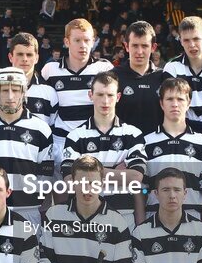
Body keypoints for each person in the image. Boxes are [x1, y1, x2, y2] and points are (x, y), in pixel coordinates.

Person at [60, 71, 147, 228]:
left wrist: (87, 172)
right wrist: (116, 172)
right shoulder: (75, 136)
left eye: (110, 95)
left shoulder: (133, 134)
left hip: (123, 217)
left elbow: (136, 177)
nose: (105, 101)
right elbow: (69, 182)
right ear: (90, 95)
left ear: (118, 97)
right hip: (86, 219)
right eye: (100, 94)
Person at [0, 67, 54, 225]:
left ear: (24, 92)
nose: (10, 96)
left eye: (15, 90)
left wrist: (34, 201)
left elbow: (46, 173)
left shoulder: (41, 128)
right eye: (4, 90)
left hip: (27, 211)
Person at [137, 77, 202, 225]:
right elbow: (142, 190)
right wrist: (141, 226)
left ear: (189, 103)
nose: (175, 104)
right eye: (169, 99)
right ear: (161, 103)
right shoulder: (146, 142)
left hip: (193, 226)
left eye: (180, 99)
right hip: (153, 226)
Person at [41, 19, 114, 175]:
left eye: (87, 40)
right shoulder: (50, 70)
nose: (83, 45)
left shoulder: (104, 68)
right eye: (77, 40)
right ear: (67, 42)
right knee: (63, 187)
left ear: (93, 41)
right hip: (61, 142)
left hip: (94, 141)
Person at [0, 32, 58, 128]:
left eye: (29, 55)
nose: (25, 59)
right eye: (20, 54)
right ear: (10, 57)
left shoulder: (49, 93)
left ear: (36, 58)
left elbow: (51, 128)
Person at [114, 21, 164, 136]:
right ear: (126, 46)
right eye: (135, 45)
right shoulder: (113, 77)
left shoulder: (163, 77)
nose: (139, 52)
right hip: (123, 144)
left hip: (156, 144)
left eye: (144, 46)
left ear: (153, 47)